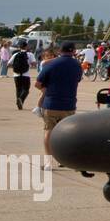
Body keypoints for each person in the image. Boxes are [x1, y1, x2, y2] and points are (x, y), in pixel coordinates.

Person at [34, 40, 83, 168]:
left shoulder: (51, 64)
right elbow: (78, 80)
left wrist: (46, 90)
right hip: (69, 105)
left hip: (51, 104)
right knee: (65, 134)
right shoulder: (77, 65)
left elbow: (37, 84)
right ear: (73, 51)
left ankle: (48, 163)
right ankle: (63, 160)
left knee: (48, 132)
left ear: (60, 51)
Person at [9, 40, 32, 110]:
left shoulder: (15, 54)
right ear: (26, 46)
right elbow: (34, 63)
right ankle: (21, 99)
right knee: (26, 89)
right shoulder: (30, 54)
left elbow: (8, 64)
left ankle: (19, 102)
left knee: (18, 89)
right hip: (26, 74)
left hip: (16, 74)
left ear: (19, 47)